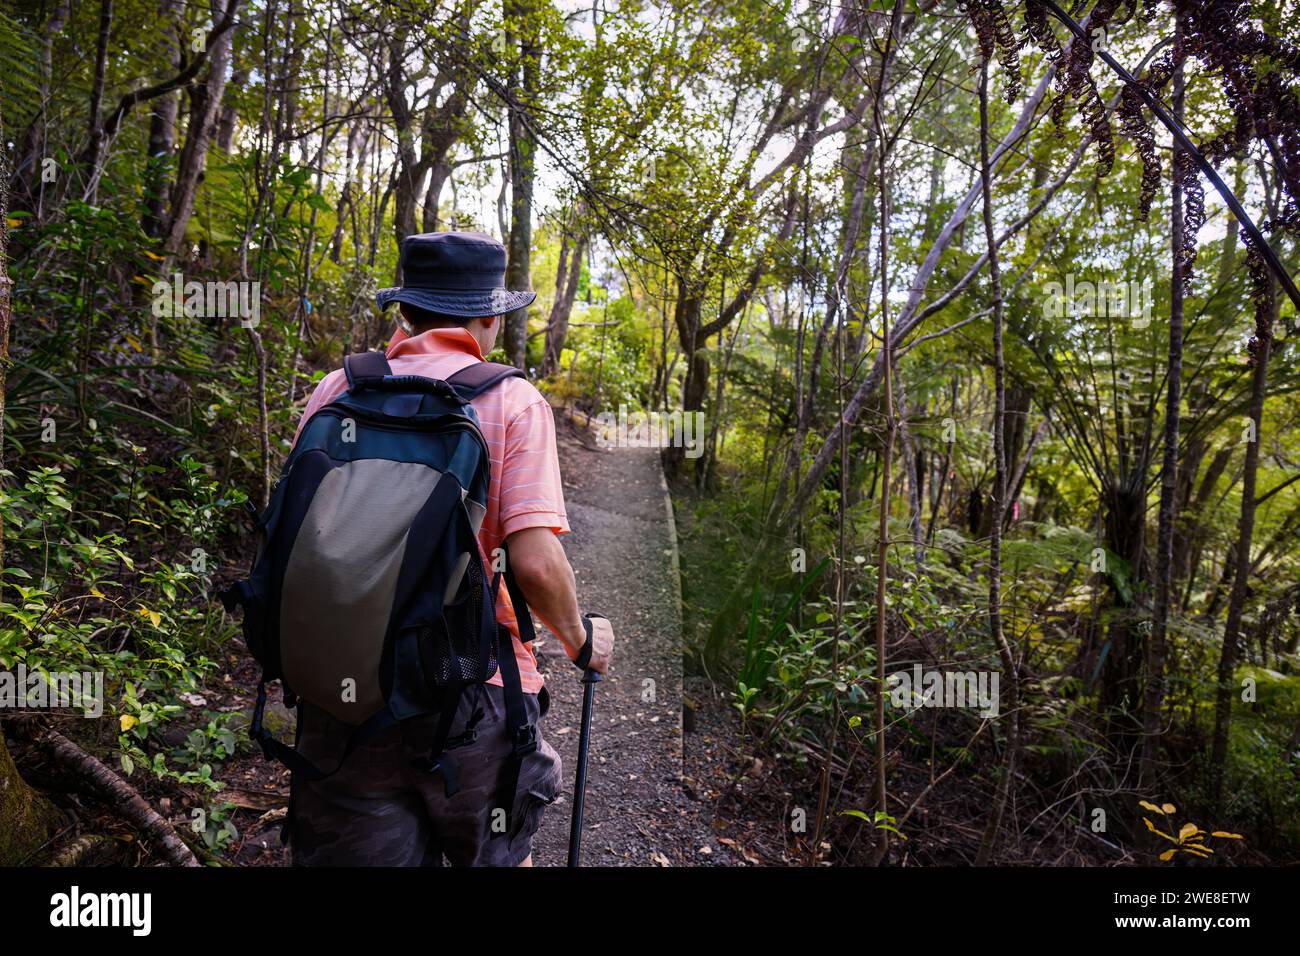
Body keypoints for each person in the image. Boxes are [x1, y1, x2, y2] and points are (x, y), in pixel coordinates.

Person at [285, 230, 614, 866]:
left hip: (340, 691)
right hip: (470, 695)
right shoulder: (512, 403)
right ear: (490, 316)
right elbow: (536, 562)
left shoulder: (337, 391)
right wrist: (580, 640)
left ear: (404, 310)